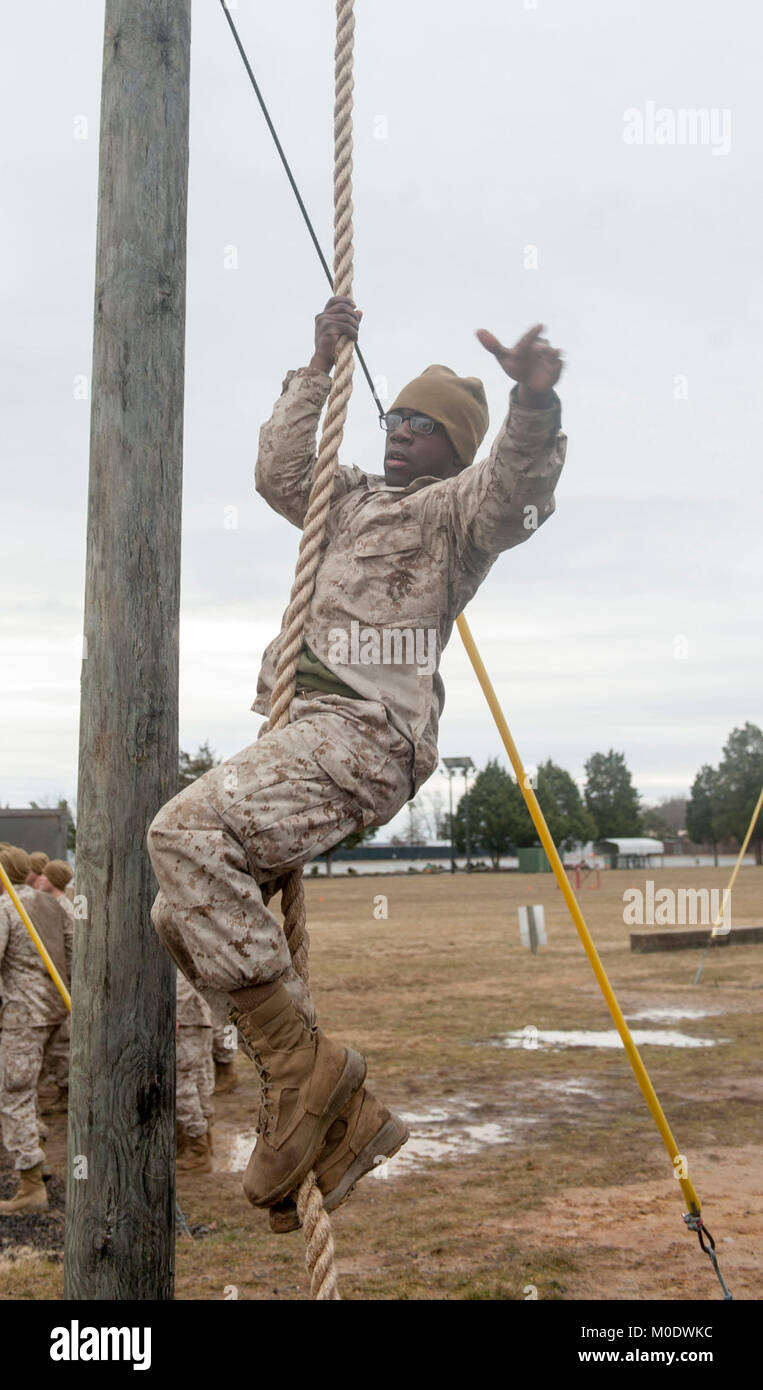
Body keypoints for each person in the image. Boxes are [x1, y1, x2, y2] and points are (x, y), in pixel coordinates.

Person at [147, 299, 566, 1228]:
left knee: (181, 830)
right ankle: (338, 1118)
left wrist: (531, 406)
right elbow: (277, 471)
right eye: (395, 419)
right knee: (176, 911)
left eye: (421, 428)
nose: (400, 434)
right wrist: (317, 366)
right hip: (302, 728)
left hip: (365, 732)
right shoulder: (344, 502)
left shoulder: (451, 514)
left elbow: (516, 500)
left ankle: (305, 1072)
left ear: (454, 451)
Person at [0, 847, 70, 1212]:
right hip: (57, 1012)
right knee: (28, 1092)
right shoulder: (50, 904)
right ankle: (36, 1154)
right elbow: (74, 951)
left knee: (14, 1095)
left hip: (22, 1017)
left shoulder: (6, 910)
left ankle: (30, 1183)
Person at [36, 861, 75, 1113]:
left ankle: (66, 1090)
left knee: (63, 1044)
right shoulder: (53, 905)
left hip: (65, 984)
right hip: (60, 984)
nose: (40, 878)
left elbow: (70, 948)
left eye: (45, 875)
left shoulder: (62, 908)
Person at [175, 972, 214, 1172]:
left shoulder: (177, 939)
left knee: (181, 1084)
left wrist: (174, 1012)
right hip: (197, 1015)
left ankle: (197, 1148)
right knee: (197, 1077)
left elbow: (183, 973)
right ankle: (205, 1138)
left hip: (186, 1020)